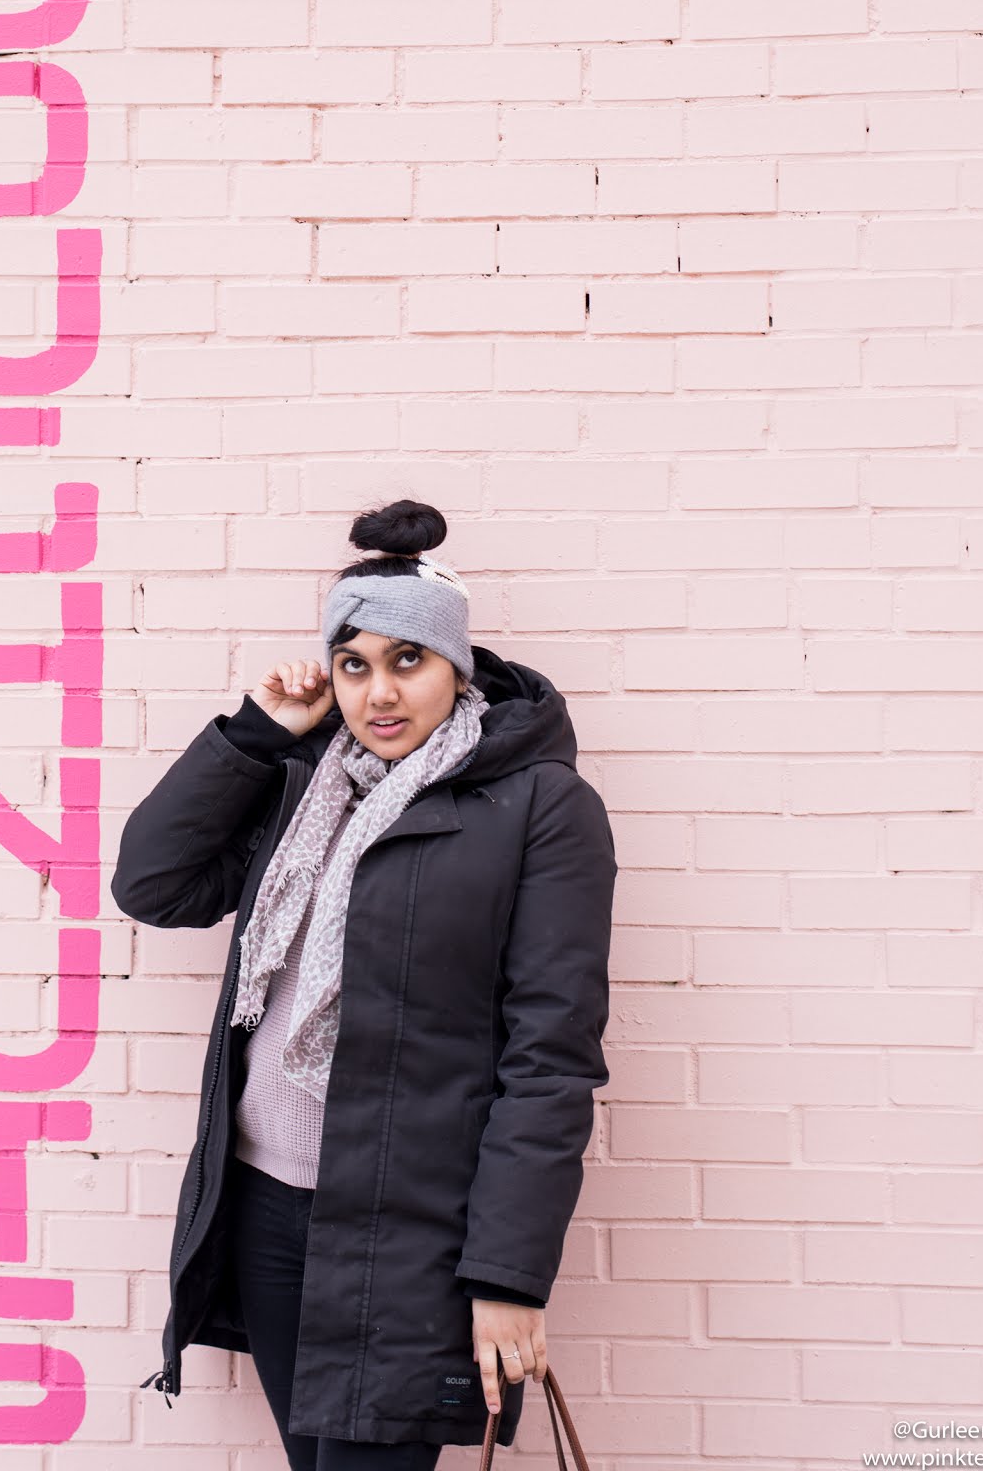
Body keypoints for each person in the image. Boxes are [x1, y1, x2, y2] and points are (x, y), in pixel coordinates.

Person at [111, 498, 618, 1469]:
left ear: (457, 666)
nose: (379, 693)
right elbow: (153, 883)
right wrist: (255, 734)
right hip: (264, 1206)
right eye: (354, 665)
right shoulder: (305, 782)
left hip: (409, 1234)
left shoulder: (541, 807)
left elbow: (548, 1058)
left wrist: (506, 1275)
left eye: (406, 660)